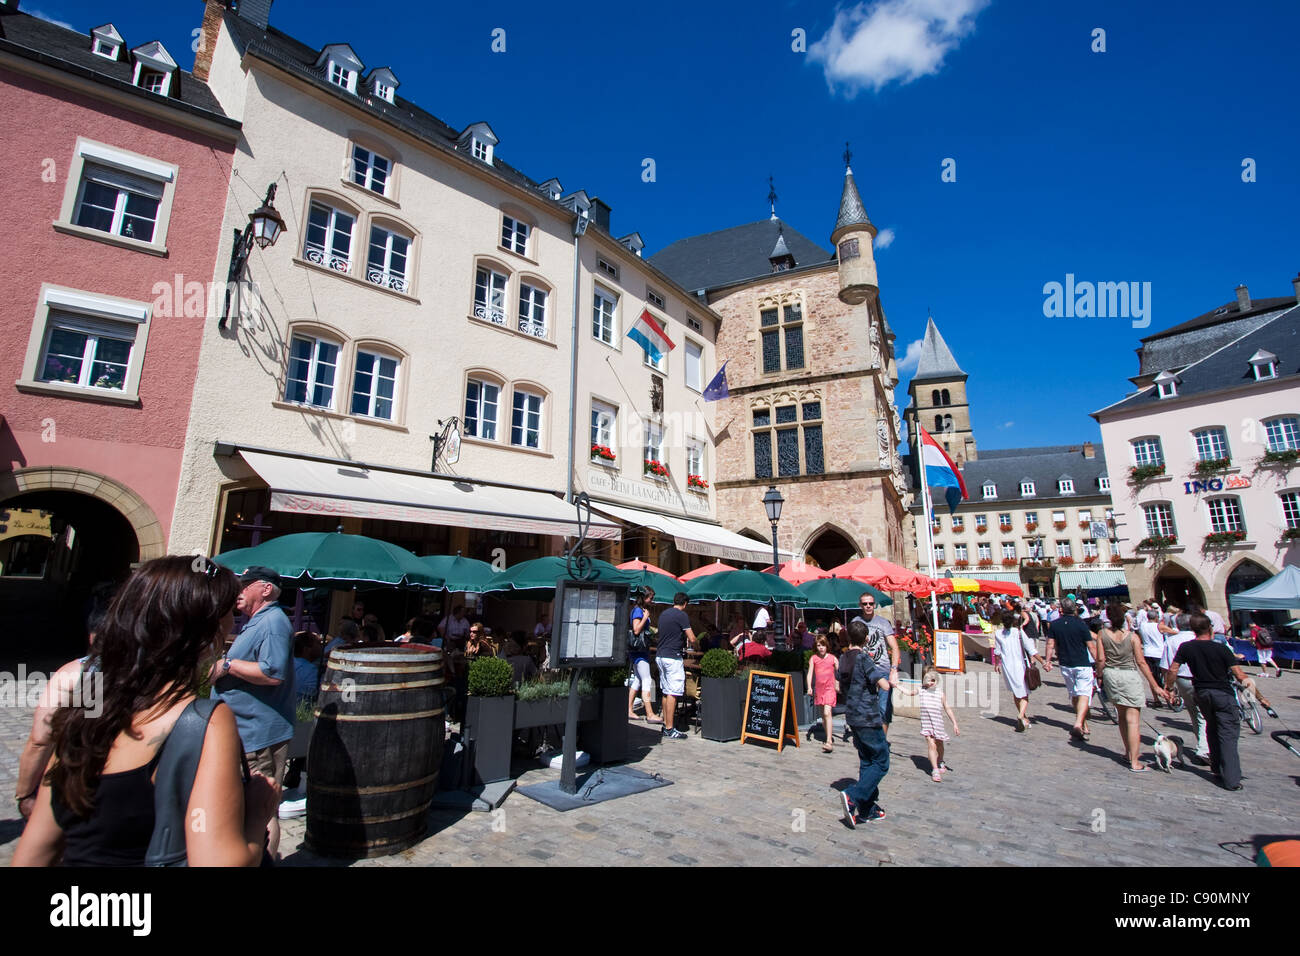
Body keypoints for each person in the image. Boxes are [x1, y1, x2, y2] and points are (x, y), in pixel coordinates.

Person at [13, 556, 277, 866]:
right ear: (206, 629)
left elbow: (34, 852)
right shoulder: (203, 720)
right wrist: (258, 815)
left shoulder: (87, 703)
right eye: (227, 613)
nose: (233, 622)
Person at [209, 566, 296, 860]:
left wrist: (227, 666)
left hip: (259, 734)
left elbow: (273, 673)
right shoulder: (259, 622)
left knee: (260, 808)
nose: (239, 592)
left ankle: (264, 861)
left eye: (245, 586)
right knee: (251, 808)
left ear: (266, 589)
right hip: (247, 731)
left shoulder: (272, 622)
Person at [1163, 612, 1249, 790]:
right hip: (1222, 693)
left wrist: (1169, 688)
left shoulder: (1186, 647)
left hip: (1202, 693)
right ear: (1210, 628)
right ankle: (1232, 779)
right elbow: (1239, 675)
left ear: (1193, 630)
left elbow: (1173, 670)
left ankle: (1217, 767)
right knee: (1228, 736)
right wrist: (1259, 697)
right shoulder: (1222, 648)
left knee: (1211, 727)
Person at [1096, 604, 1171, 772]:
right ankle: (1135, 762)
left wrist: (1099, 675)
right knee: (1133, 721)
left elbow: (1100, 659)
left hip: (1111, 675)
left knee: (1122, 716)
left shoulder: (1102, 634)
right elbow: (1141, 662)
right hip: (1129, 675)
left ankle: (1128, 752)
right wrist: (1155, 685)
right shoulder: (1132, 637)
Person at [839, 635, 891, 828]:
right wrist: (892, 677)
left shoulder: (843, 658)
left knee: (867, 760)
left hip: (851, 715)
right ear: (867, 638)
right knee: (882, 761)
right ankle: (853, 796)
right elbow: (883, 683)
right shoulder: (863, 658)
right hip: (867, 716)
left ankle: (867, 808)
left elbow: (839, 684)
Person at [1043, 598, 1097, 741]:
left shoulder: (1055, 625)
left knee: (1074, 694)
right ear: (1074, 609)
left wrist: (1047, 661)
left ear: (1061, 609)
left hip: (1065, 664)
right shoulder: (1081, 625)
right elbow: (1091, 647)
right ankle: (1079, 723)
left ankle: (1083, 723)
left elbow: (1050, 645)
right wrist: (1099, 661)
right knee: (1084, 694)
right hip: (1082, 663)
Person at [1160, 613, 1211, 763]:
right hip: (1201, 679)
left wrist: (1169, 687)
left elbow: (1167, 667)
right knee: (1203, 714)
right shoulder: (1201, 639)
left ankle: (1203, 744)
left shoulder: (1172, 640)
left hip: (1182, 680)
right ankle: (1204, 748)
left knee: (1194, 713)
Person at [898, 667, 959, 781]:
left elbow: (947, 708)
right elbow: (909, 693)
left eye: (933, 680)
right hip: (927, 723)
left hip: (938, 723)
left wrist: (954, 723)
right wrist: (898, 686)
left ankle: (940, 760)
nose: (930, 683)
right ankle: (935, 769)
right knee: (931, 745)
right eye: (928, 680)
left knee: (939, 744)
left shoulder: (940, 693)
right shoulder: (921, 689)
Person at [851, 592, 900, 731]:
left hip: (882, 669)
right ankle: (870, 738)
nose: (868, 606)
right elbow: (852, 647)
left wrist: (894, 670)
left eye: (871, 603)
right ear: (860, 605)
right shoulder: (855, 622)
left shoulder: (883, 623)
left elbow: (894, 647)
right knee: (865, 707)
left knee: (884, 708)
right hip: (863, 671)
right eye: (865, 604)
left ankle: (882, 741)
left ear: (875, 604)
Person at [992, 609, 1044, 732]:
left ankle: (1024, 719)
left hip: (1007, 666)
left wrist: (996, 664)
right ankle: (1021, 715)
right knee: (1024, 693)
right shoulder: (1018, 633)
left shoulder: (999, 633)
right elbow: (1031, 650)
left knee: (1016, 692)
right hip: (1019, 665)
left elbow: (997, 651)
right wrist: (1043, 662)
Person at [656, 592, 696, 739]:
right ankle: (670, 728)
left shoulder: (664, 614)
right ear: (684, 604)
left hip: (660, 655)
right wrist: (696, 644)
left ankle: (666, 725)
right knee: (673, 691)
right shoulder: (681, 615)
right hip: (672, 657)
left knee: (666, 691)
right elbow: (691, 637)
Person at [627, 589, 662, 724]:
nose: (651, 601)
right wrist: (645, 617)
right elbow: (636, 629)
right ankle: (650, 713)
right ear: (644, 597)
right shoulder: (637, 611)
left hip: (640, 651)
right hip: (639, 652)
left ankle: (629, 709)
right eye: (650, 598)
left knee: (637, 680)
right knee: (647, 680)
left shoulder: (639, 610)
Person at [806, 637, 840, 753]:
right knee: (823, 715)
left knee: (827, 712)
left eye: (823, 645)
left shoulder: (832, 658)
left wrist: (838, 684)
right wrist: (809, 687)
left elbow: (839, 673)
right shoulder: (814, 659)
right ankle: (828, 735)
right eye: (819, 645)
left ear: (827, 646)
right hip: (819, 689)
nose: (821, 648)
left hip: (829, 688)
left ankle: (829, 740)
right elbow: (810, 673)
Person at [1137, 609, 1174, 707]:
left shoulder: (1143, 626)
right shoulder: (1159, 626)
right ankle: (1168, 697)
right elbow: (1174, 632)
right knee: (1165, 676)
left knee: (1152, 676)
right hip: (1159, 653)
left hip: (1147, 653)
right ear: (1156, 617)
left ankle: (1156, 699)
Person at [292, 631, 321, 704]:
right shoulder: (311, 670)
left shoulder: (287, 664)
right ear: (306, 649)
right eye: (318, 644)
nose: (321, 647)